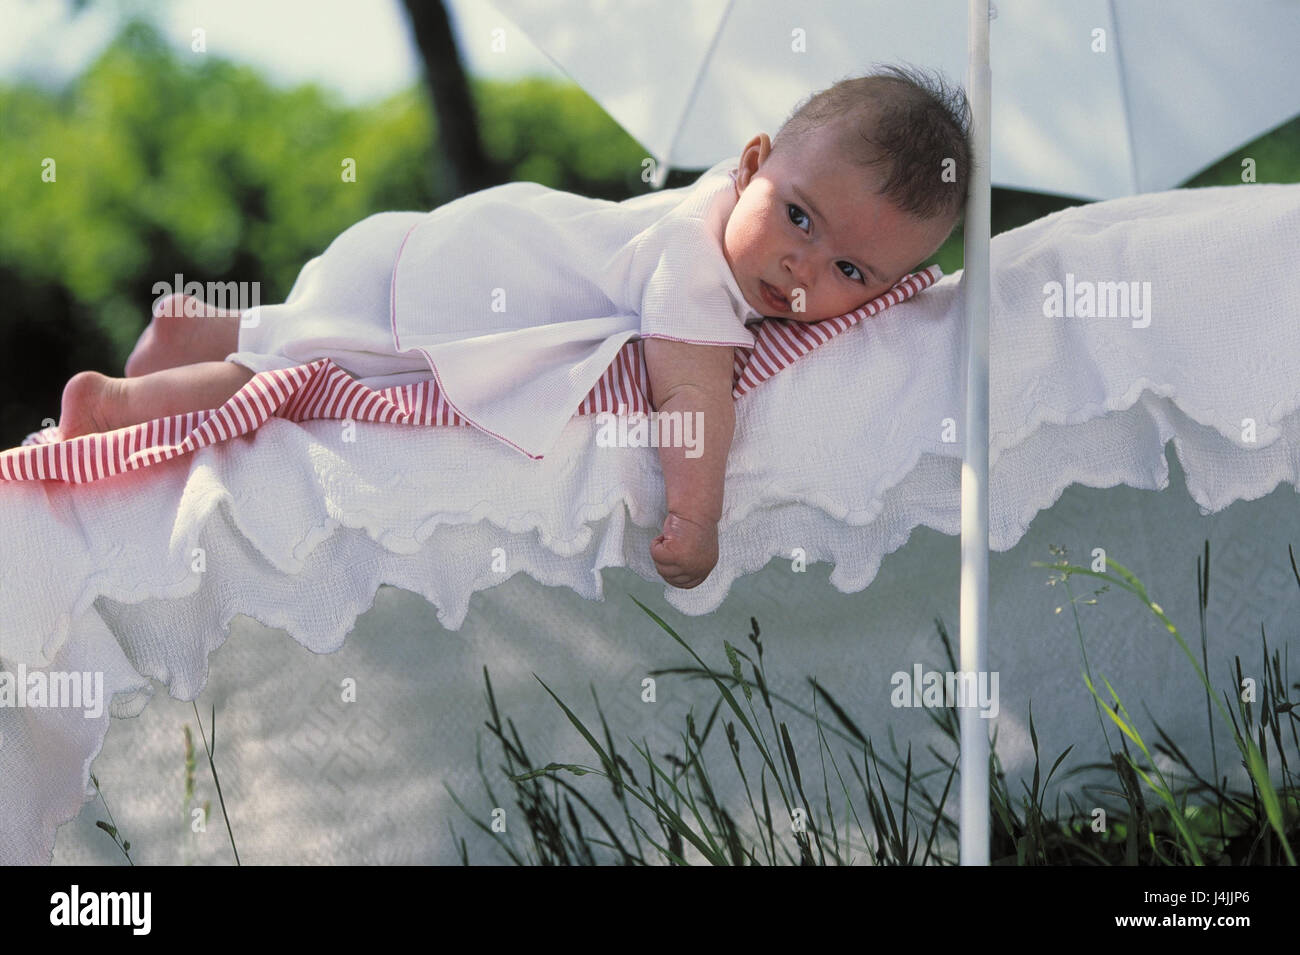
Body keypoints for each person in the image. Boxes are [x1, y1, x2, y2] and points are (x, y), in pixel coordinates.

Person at [58, 65, 971, 589]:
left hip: (419, 253)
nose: (801, 270)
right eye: (800, 218)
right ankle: (130, 402)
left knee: (301, 326)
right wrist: (695, 518)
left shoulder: (716, 218)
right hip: (445, 296)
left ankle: (205, 327)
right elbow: (691, 392)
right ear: (755, 162)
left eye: (853, 272)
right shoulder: (693, 259)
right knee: (300, 383)